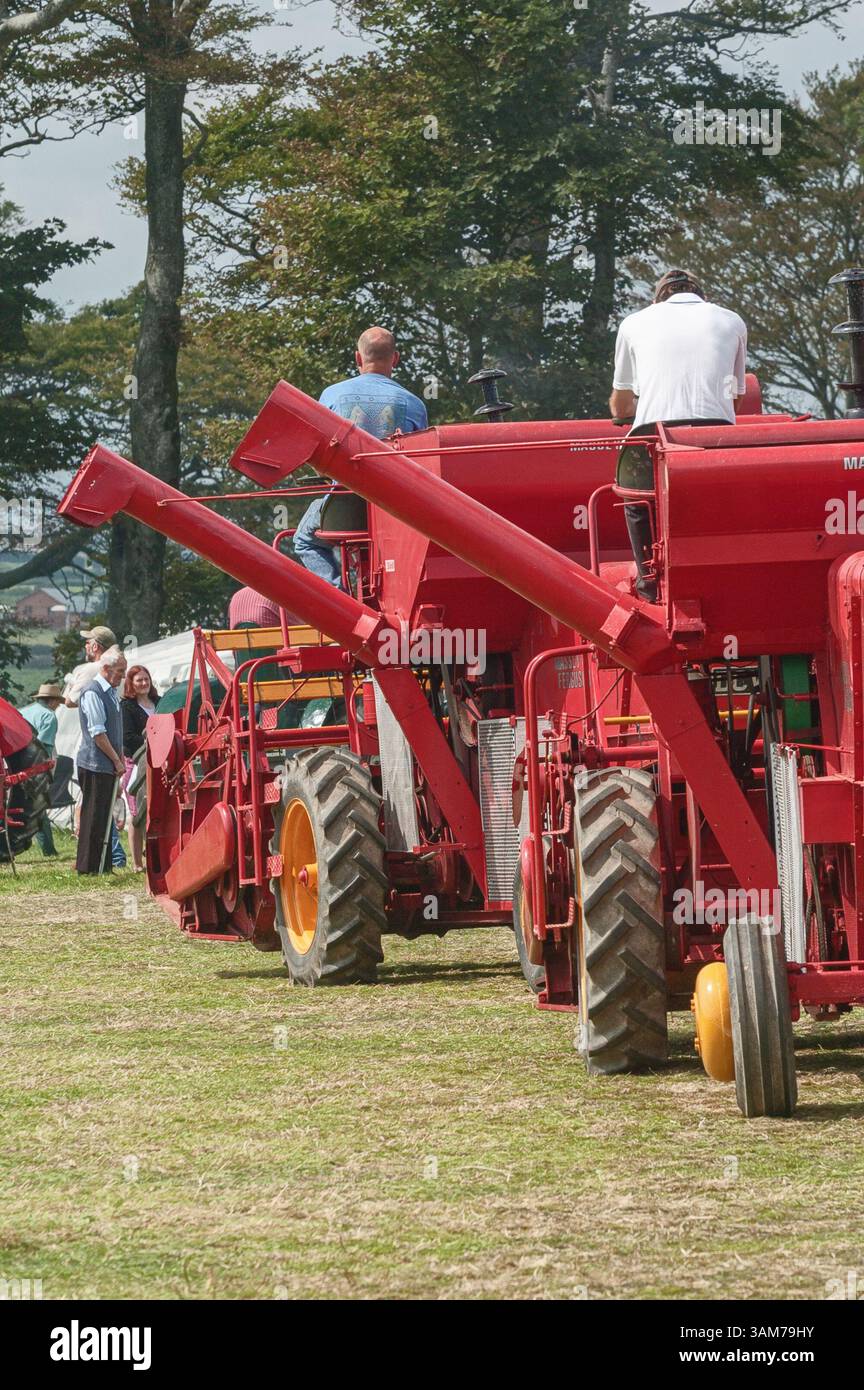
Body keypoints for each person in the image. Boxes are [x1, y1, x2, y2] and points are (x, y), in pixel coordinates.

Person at [609, 268, 748, 600]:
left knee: (637, 500)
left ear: (658, 297)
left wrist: (623, 412)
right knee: (720, 505)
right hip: (715, 441)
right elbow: (737, 397)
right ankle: (723, 573)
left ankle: (649, 582)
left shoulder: (633, 323)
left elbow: (620, 403)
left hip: (653, 437)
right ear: (702, 296)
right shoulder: (732, 321)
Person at [294, 327, 429, 588]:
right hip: (395, 510)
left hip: (343, 510)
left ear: (358, 358)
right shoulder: (414, 404)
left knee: (303, 539)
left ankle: (340, 596)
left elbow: (317, 452)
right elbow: (421, 461)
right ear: (396, 358)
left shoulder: (331, 395)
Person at [63, 624, 127, 867]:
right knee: (95, 809)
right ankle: (95, 861)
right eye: (120, 671)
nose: (85, 645)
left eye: (89, 641)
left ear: (97, 646)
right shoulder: (99, 687)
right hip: (97, 753)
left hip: (99, 750)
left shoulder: (90, 672)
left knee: (96, 809)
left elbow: (69, 701)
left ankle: (102, 860)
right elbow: (98, 729)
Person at [16, 682, 63, 857]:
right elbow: (43, 747)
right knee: (39, 807)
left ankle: (48, 849)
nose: (58, 706)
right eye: (58, 702)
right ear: (52, 701)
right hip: (34, 767)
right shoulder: (49, 716)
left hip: (15, 764)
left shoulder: (23, 711)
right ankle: (49, 850)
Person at [121, 665, 159, 873]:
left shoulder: (159, 703)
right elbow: (127, 737)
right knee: (136, 813)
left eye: (146, 679)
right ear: (131, 684)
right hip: (137, 762)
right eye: (139, 681)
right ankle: (137, 863)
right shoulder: (127, 707)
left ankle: (155, 858)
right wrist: (150, 743)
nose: (144, 683)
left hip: (159, 762)